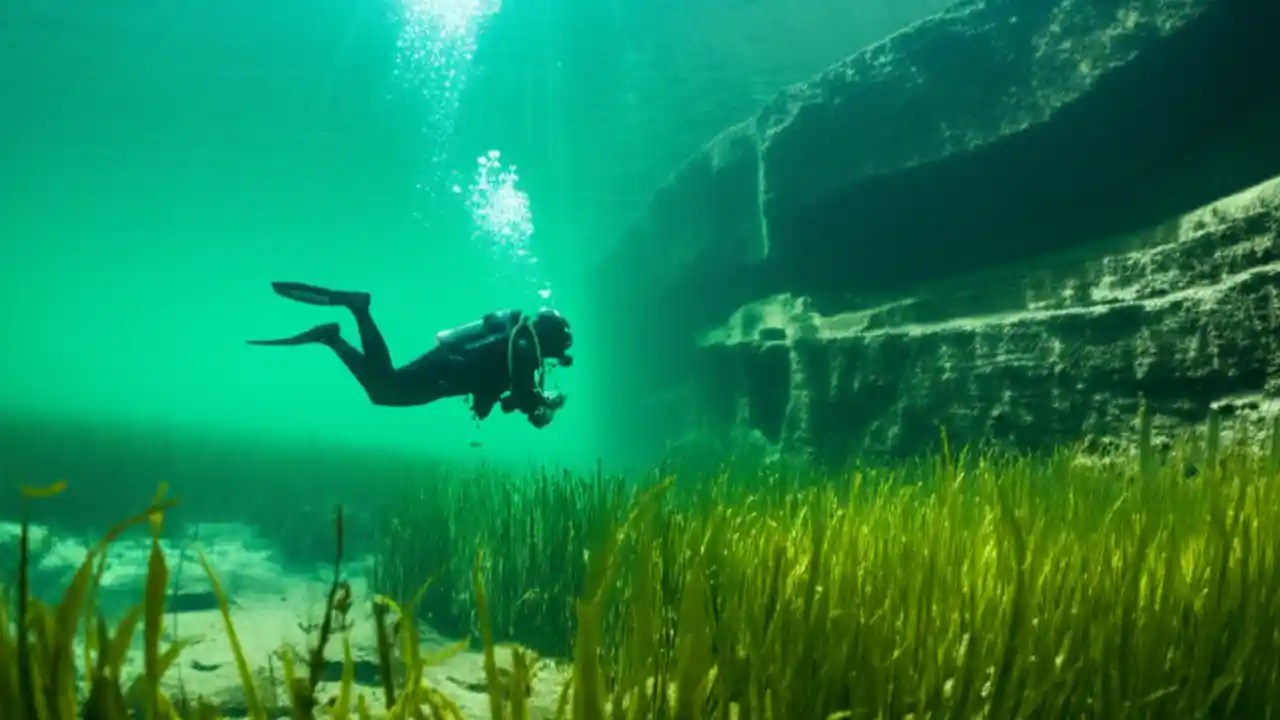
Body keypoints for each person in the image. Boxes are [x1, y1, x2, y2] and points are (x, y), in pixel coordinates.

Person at [247, 281, 573, 428]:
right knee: (385, 389)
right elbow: (523, 394)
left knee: (384, 388)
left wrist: (497, 398)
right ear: (551, 339)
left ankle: (333, 337)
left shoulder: (517, 339)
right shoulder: (525, 349)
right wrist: (547, 404)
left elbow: (498, 380)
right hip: (447, 372)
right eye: (558, 349)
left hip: (447, 364)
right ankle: (357, 312)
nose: (555, 357)